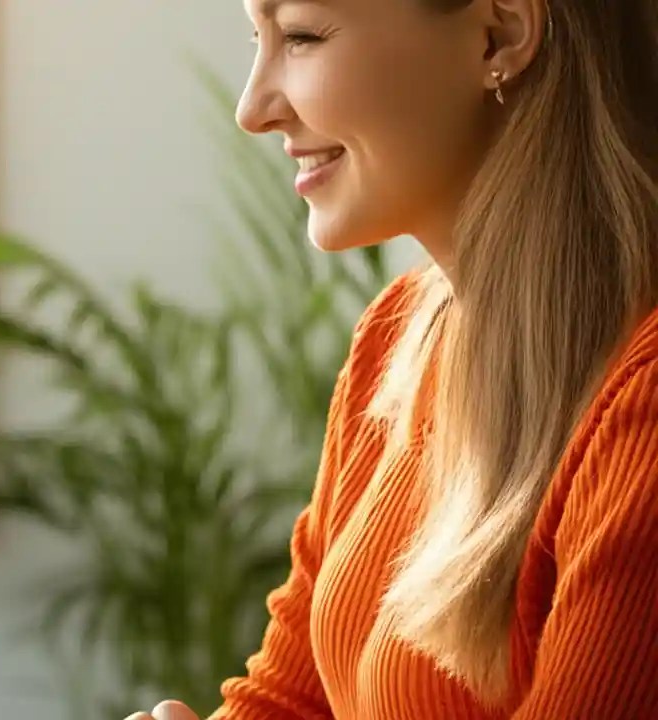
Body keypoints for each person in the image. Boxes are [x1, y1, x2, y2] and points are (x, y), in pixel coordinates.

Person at [128, 0, 658, 717]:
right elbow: (289, 699)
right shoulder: (394, 344)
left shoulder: (642, 410)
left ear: (499, 33)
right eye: (259, 39)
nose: (253, 109)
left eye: (304, 37)